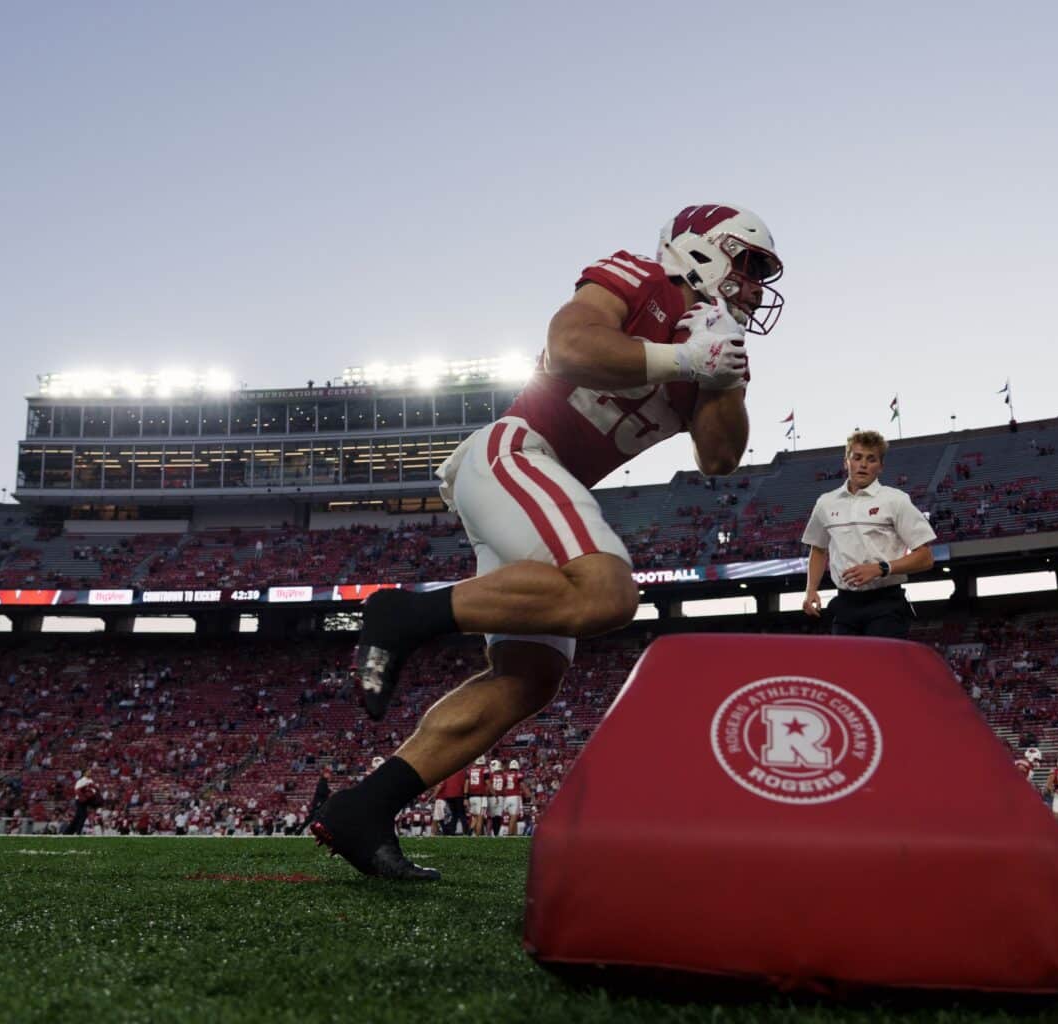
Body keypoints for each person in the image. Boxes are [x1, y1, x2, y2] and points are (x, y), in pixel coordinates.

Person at [312, 205, 783, 879]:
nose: (757, 288)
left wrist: (721, 377)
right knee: (607, 592)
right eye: (751, 266)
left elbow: (719, 457)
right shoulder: (641, 278)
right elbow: (570, 347)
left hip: (539, 478)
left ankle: (366, 807)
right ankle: (403, 614)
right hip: (518, 450)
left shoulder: (710, 345)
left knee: (527, 680)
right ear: (704, 252)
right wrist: (682, 354)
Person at [801, 430, 936, 637]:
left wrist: (881, 568)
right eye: (857, 457)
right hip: (845, 605)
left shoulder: (895, 500)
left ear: (880, 466)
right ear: (846, 462)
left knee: (882, 668)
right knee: (845, 670)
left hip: (886, 604)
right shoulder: (825, 503)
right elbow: (818, 549)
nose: (863, 464)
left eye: (871, 459)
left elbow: (925, 557)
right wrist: (811, 589)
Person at [62, 768, 100, 835]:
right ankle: (78, 832)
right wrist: (83, 797)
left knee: (77, 817)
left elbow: (93, 790)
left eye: (90, 771)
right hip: (80, 800)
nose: (90, 772)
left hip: (86, 801)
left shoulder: (91, 780)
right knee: (83, 815)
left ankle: (67, 832)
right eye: (88, 771)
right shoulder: (81, 781)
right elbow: (76, 790)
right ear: (84, 773)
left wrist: (92, 793)